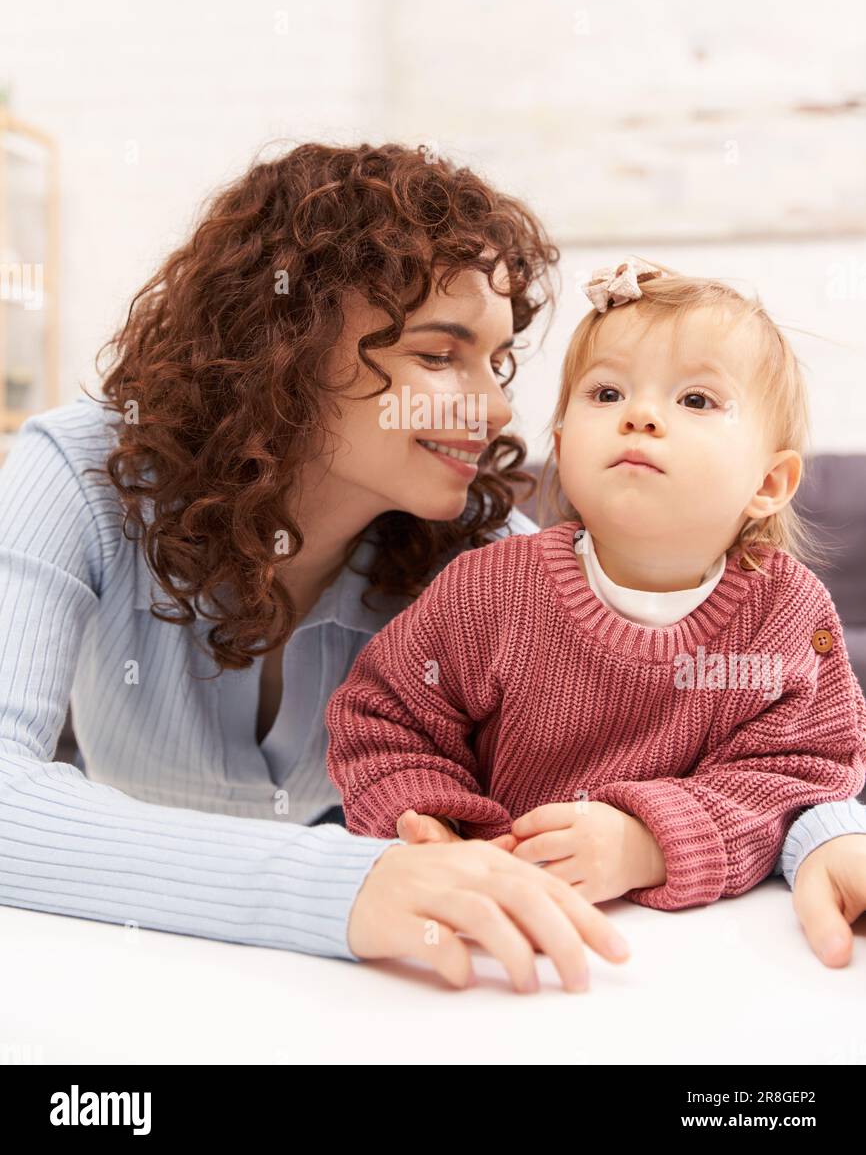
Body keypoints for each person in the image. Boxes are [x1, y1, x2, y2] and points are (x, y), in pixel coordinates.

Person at [0, 141, 634, 995]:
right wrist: (343, 883)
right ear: (283, 348)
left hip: (356, 998)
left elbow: (723, 730)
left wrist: (820, 840)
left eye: (496, 360)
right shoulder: (75, 475)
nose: (492, 408)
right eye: (439, 356)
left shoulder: (487, 560)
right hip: (115, 980)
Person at [327, 257, 866, 926]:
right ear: (561, 446)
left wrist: (649, 843)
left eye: (695, 400)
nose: (639, 415)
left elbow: (802, 776)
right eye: (606, 395)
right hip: (488, 916)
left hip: (690, 944)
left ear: (770, 484)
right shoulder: (488, 589)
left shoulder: (787, 613)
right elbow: (385, 719)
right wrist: (431, 824)